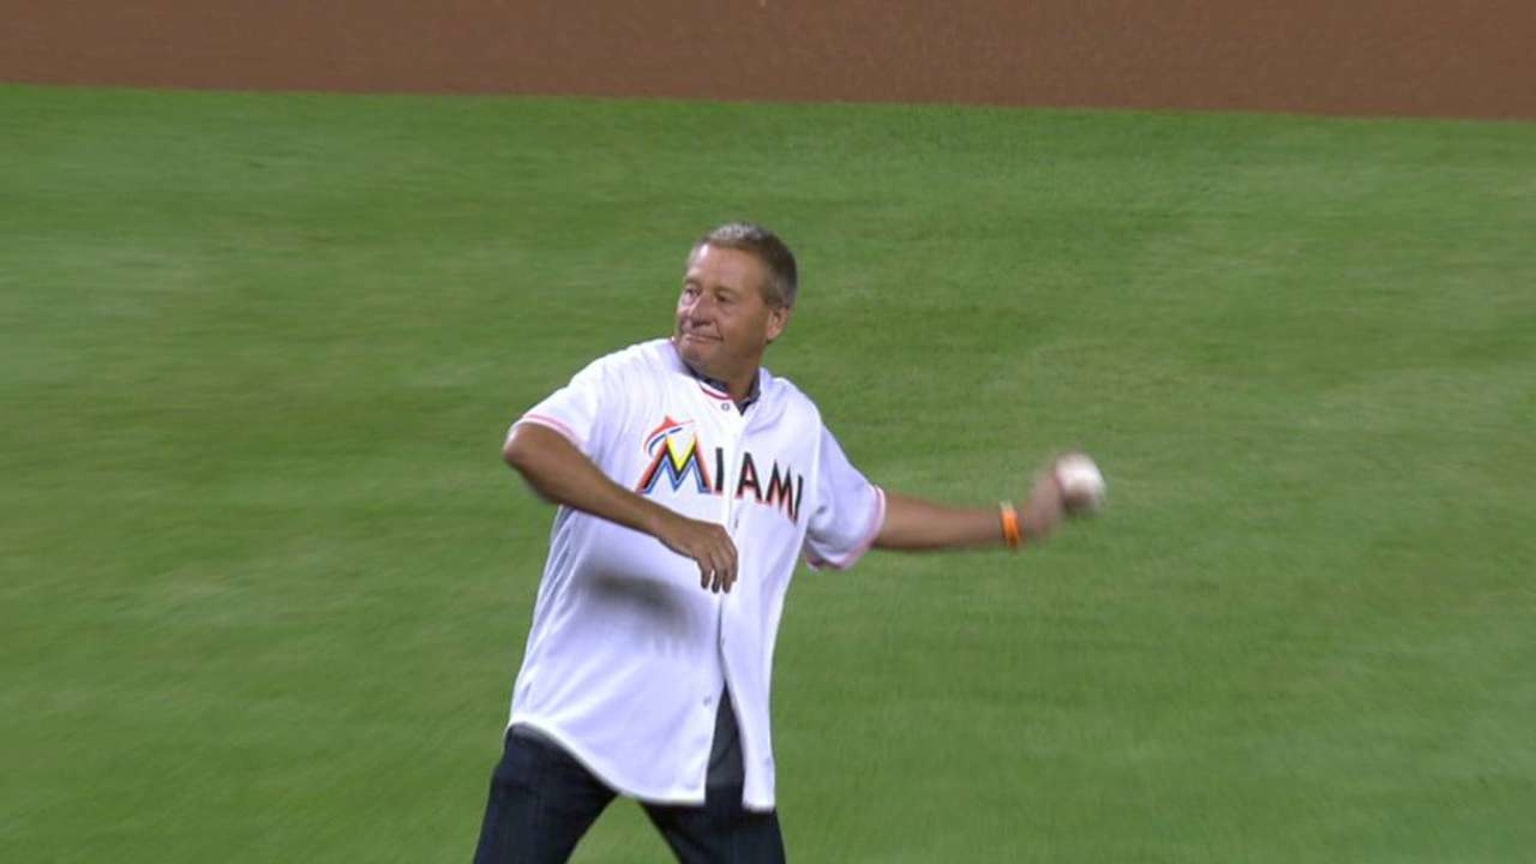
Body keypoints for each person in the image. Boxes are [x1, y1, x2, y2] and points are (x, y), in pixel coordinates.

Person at [474, 222, 1096, 863]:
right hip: (580, 712)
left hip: (704, 726)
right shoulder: (628, 382)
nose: (697, 311)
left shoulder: (793, 425)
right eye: (691, 291)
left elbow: (869, 517)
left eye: (723, 298)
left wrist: (1017, 522)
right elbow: (531, 446)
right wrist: (663, 521)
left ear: (774, 320)